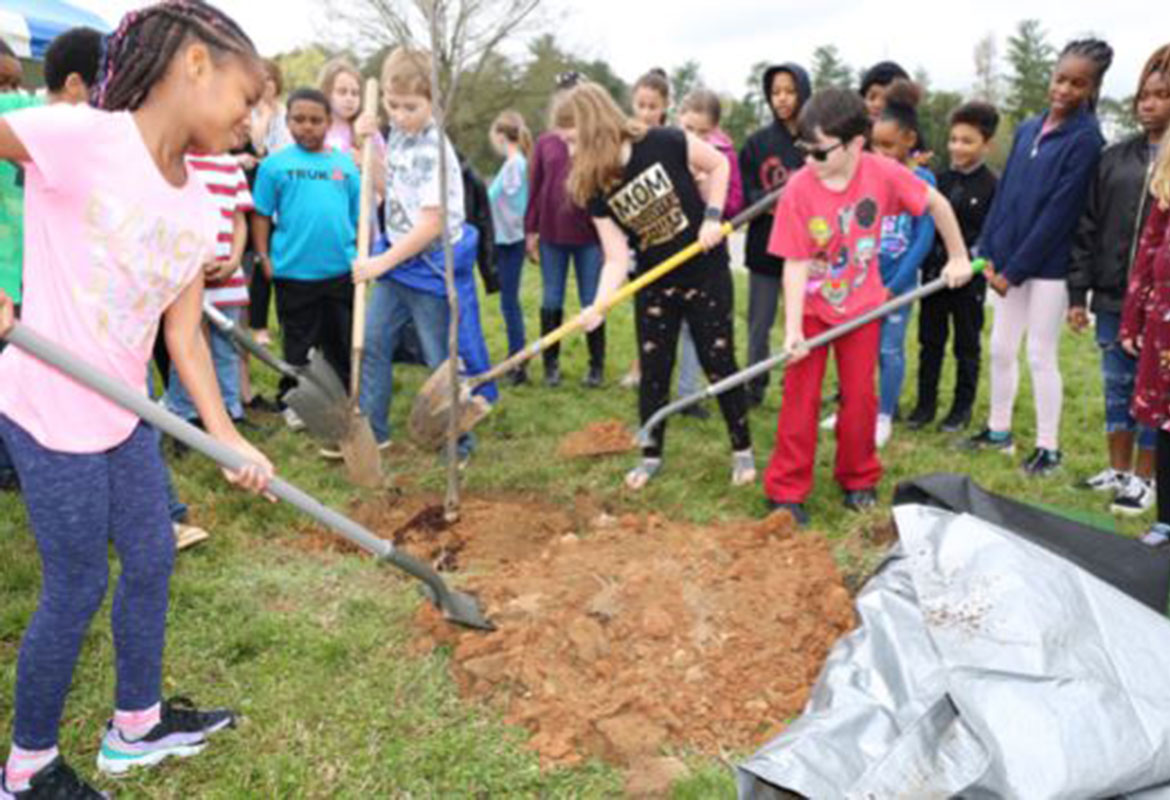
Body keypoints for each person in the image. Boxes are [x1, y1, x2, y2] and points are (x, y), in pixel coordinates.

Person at [0, 2, 274, 794]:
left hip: (125, 413)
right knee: (78, 583)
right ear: (194, 65)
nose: (250, 122)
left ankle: (136, 726)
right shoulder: (82, 136)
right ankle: (27, 767)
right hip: (50, 411)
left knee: (153, 556)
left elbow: (185, 337)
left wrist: (228, 439)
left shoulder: (198, 202)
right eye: (243, 98)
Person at [762, 88, 974, 525]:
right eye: (804, 149)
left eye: (819, 151)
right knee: (800, 400)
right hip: (812, 310)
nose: (809, 160)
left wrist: (958, 256)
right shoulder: (800, 189)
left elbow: (935, 203)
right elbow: (795, 264)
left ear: (855, 143)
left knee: (860, 398)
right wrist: (792, 330)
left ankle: (858, 477)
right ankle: (786, 489)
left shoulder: (882, 173)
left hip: (862, 308)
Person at [558, 81, 756, 491]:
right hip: (655, 280)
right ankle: (650, 454)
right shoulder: (597, 186)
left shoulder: (664, 141)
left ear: (594, 128)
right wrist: (598, 304)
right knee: (653, 370)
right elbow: (615, 256)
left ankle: (743, 450)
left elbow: (719, 165)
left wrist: (711, 218)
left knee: (718, 361)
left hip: (704, 270)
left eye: (575, 141)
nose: (572, 153)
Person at [966, 39, 1113, 476]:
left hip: (1048, 268)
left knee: (1040, 354)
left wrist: (1014, 270)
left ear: (1092, 88)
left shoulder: (1087, 139)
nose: (1064, 89)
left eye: (1077, 83)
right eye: (1060, 78)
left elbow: (1058, 214)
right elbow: (1006, 192)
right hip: (1007, 262)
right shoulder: (1029, 128)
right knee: (1001, 348)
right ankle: (998, 432)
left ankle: (1049, 449)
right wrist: (987, 250)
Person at [353, 46, 497, 464]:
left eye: (411, 107)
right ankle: (374, 435)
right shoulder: (398, 134)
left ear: (432, 102)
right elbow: (385, 187)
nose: (399, 115)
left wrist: (381, 263)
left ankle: (459, 446)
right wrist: (370, 148)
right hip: (398, 264)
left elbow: (431, 224)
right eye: (392, 105)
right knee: (376, 343)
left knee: (441, 360)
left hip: (431, 268)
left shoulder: (434, 149)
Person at [1069, 44, 1170, 514]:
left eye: (1161, 96)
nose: (1149, 104)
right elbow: (1088, 224)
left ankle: (1148, 479)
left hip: (1160, 305)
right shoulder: (1114, 157)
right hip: (1112, 296)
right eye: (1143, 96)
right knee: (1115, 383)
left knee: (1152, 390)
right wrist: (1078, 291)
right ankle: (1120, 469)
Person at [252, 88, 360, 436]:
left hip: (340, 272)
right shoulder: (274, 166)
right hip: (293, 273)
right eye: (299, 120)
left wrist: (363, 257)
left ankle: (340, 399)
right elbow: (262, 215)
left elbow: (358, 217)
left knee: (340, 342)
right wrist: (263, 255)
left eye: (315, 120)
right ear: (288, 122)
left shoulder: (344, 166)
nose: (307, 127)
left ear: (329, 123)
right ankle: (294, 402)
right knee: (298, 344)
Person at [908, 101, 1000, 434]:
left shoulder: (993, 185)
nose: (957, 147)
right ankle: (924, 405)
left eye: (967, 141)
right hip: (933, 276)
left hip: (970, 281)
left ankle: (960, 409)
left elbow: (992, 234)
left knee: (966, 345)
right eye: (953, 139)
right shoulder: (937, 181)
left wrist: (972, 263)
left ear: (985, 145)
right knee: (929, 342)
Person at [166, 143, 254, 428]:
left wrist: (233, 260)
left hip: (226, 277)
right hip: (186, 278)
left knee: (226, 347)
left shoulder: (231, 167)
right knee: (187, 345)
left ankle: (231, 410)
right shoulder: (177, 162)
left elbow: (239, 221)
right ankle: (185, 414)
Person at [525, 73, 605, 388]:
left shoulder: (594, 141)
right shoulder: (545, 143)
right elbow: (535, 187)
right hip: (552, 236)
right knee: (551, 298)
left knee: (592, 300)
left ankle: (596, 366)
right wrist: (531, 230)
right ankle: (551, 364)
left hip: (589, 236)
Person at [738, 62, 810, 408]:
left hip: (807, 251)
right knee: (759, 323)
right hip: (765, 248)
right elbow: (744, 190)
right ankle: (754, 384)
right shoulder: (757, 143)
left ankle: (798, 385)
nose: (782, 99)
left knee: (802, 322)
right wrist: (766, 205)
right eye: (775, 92)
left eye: (789, 91)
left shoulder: (817, 142)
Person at [869, 79, 936, 448]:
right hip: (866, 282)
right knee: (860, 348)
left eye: (888, 145)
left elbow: (923, 239)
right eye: (875, 145)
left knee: (889, 349)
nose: (880, 153)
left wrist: (894, 285)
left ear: (910, 140)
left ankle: (884, 415)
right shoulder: (872, 178)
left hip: (898, 283)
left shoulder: (922, 180)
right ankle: (857, 406)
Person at [1120, 124, 1170, 546]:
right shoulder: (1164, 203)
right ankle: (1166, 522)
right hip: (1164, 332)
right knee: (1167, 426)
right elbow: (1146, 258)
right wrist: (1132, 319)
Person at [246, 58, 291, 348]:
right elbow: (258, 147)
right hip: (257, 189)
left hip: (284, 192)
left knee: (283, 258)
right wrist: (261, 119)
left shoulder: (287, 113)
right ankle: (258, 324)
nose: (266, 86)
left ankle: (288, 321)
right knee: (261, 259)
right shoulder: (248, 113)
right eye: (260, 80)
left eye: (270, 79)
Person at [487, 110, 532, 385]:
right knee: (508, 302)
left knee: (509, 303)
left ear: (501, 136)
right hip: (506, 240)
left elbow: (510, 202)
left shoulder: (515, 165)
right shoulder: (514, 164)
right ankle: (516, 356)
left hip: (510, 241)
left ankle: (518, 361)